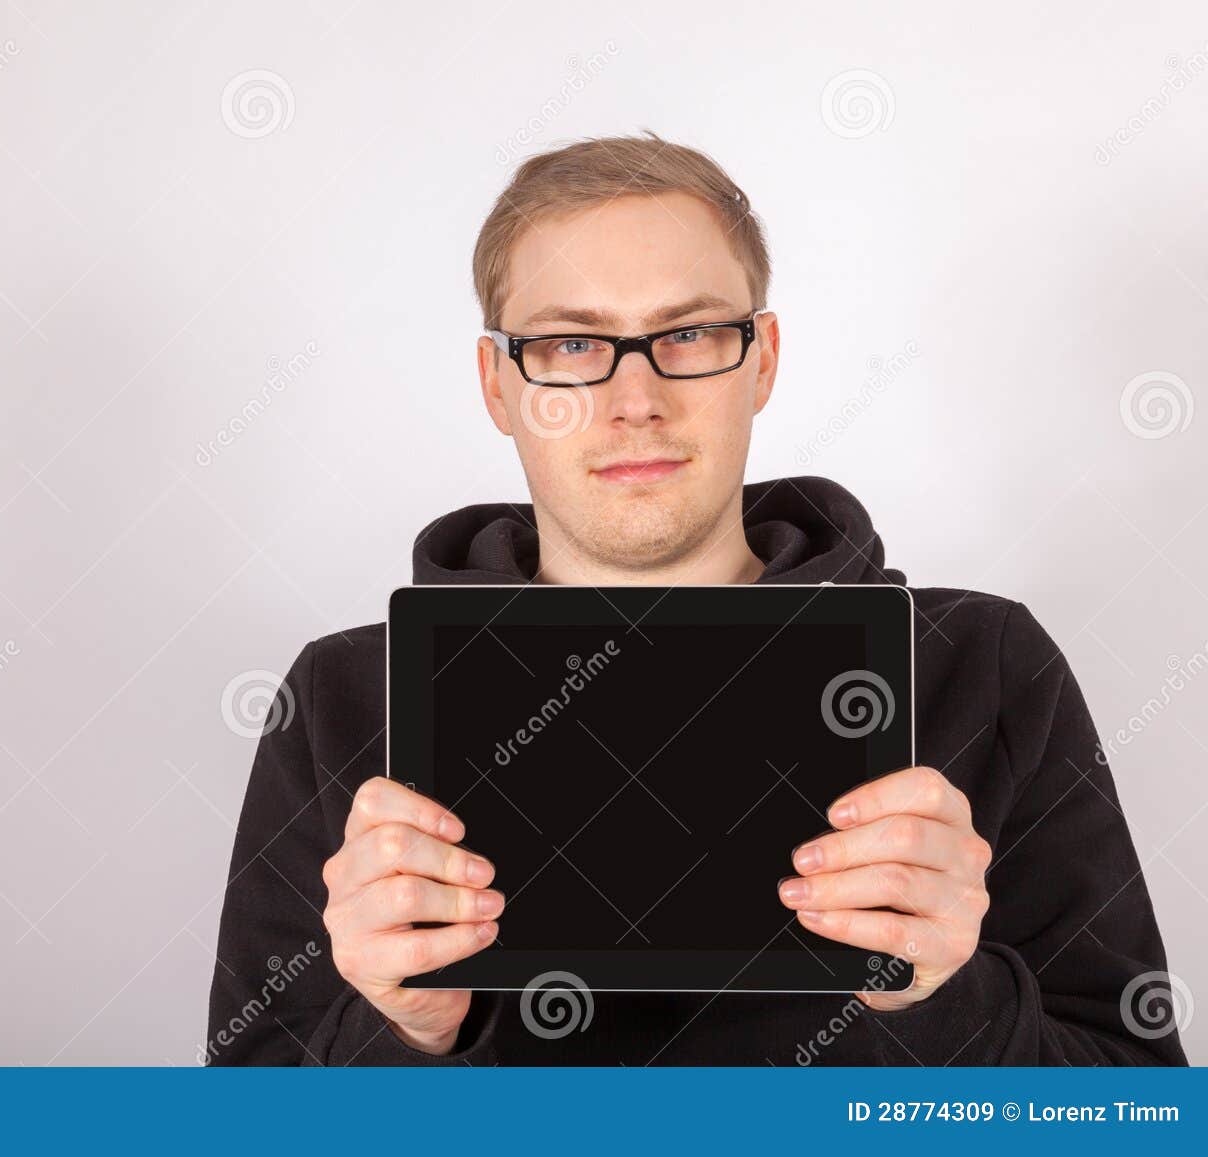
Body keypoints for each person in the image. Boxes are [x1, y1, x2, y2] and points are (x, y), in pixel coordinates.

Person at [203, 132, 1188, 1065]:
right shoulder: (344, 698)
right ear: (498, 385)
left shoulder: (986, 664)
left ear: (760, 359)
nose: (636, 398)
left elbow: (1129, 1116)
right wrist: (404, 1029)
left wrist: (942, 998)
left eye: (690, 332)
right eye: (572, 346)